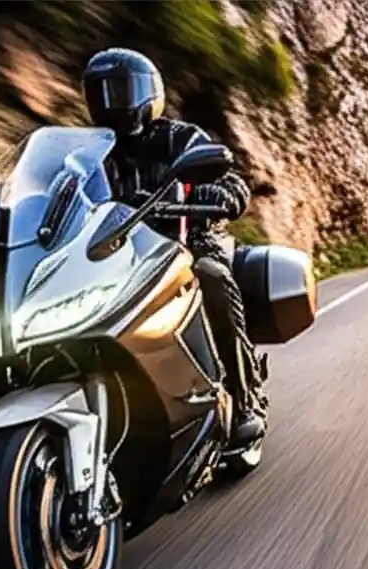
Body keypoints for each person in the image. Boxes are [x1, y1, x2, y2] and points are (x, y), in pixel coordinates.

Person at [80, 48, 266, 445]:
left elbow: (230, 180)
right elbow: (55, 193)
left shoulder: (179, 138)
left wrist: (223, 194)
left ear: (149, 93)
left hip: (186, 245)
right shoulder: (89, 152)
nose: (113, 102)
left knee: (211, 279)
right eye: (102, 93)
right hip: (118, 258)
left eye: (121, 90)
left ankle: (243, 400)